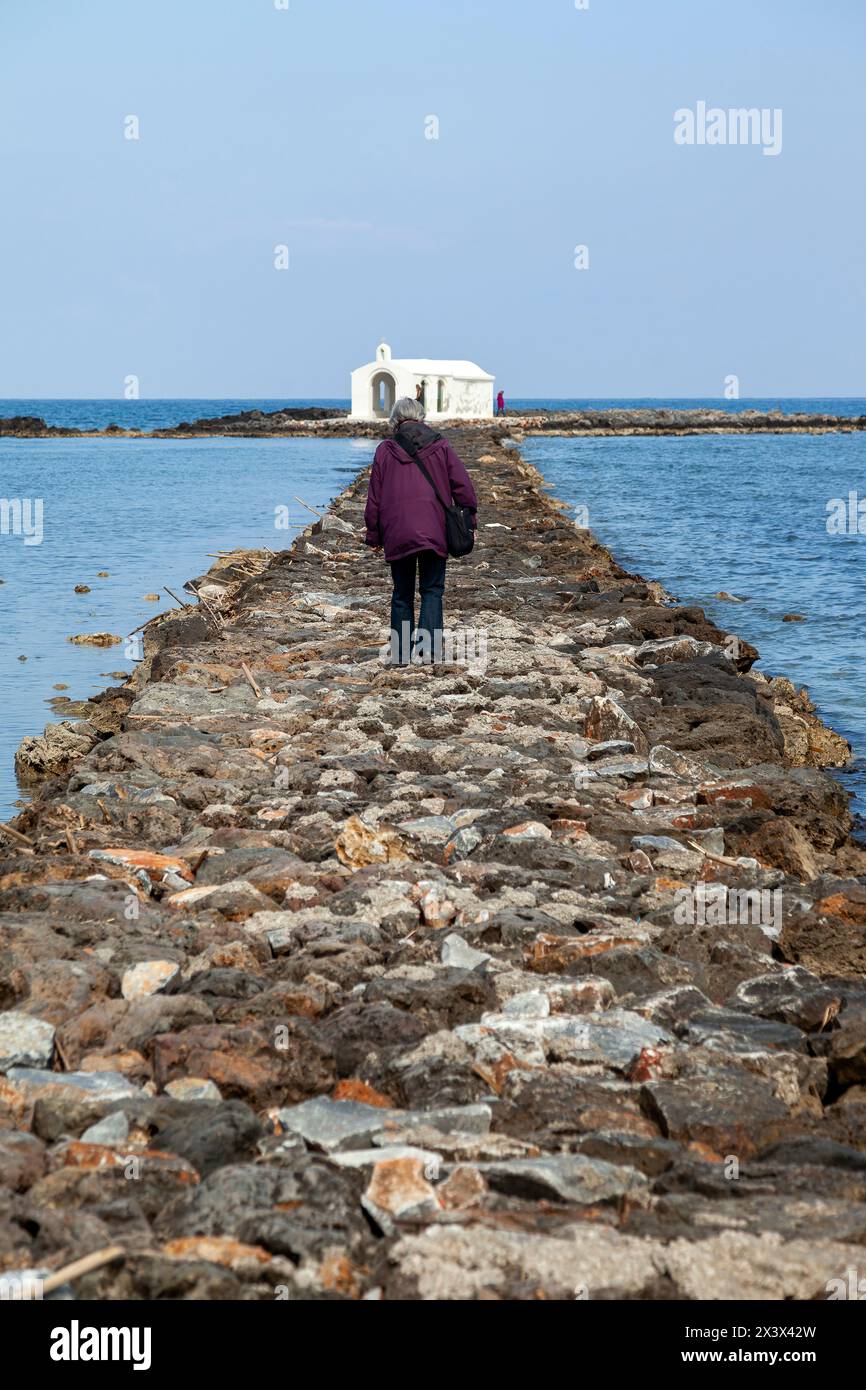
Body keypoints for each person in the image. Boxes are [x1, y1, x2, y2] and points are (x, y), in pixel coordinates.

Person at [364, 397, 478, 665]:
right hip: (433, 529)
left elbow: (374, 498)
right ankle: (428, 653)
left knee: (401, 594)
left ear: (395, 420)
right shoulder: (440, 445)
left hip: (397, 531)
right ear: (421, 417)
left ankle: (402, 654)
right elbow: (463, 485)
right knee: (432, 590)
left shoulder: (385, 450)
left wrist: (374, 534)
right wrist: (469, 519)